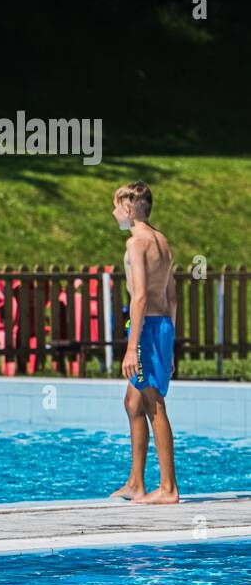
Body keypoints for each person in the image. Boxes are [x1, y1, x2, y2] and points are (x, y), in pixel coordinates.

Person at [108, 181, 179, 504]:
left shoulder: (137, 243)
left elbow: (139, 297)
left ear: (128, 207)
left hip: (146, 328)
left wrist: (130, 346)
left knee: (153, 404)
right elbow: (172, 296)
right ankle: (136, 482)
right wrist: (171, 343)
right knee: (133, 403)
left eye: (115, 206)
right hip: (161, 326)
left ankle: (168, 489)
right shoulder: (162, 241)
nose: (113, 212)